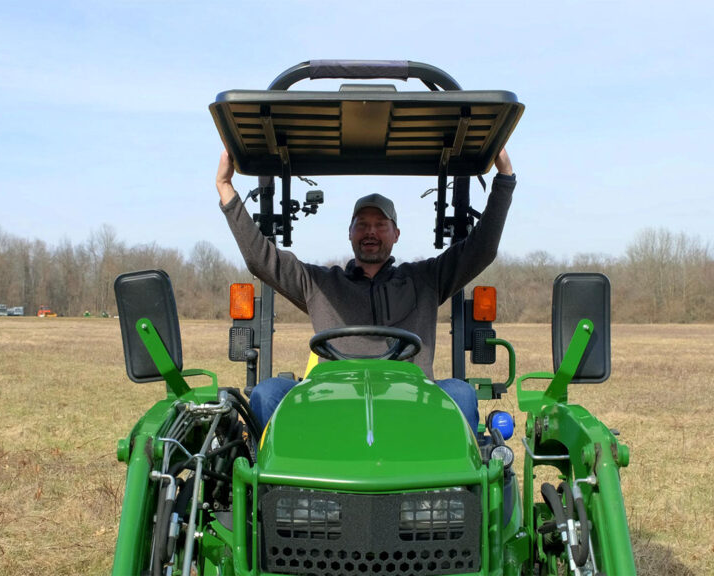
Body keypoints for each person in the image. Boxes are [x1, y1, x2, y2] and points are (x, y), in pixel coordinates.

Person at [216, 148, 516, 431]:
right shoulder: (319, 283)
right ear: (350, 233)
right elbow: (261, 259)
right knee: (267, 393)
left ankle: (451, 485)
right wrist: (226, 187)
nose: (371, 231)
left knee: (461, 394)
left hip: (410, 397)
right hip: (333, 398)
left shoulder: (426, 279)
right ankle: (276, 483)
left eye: (381, 224)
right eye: (362, 224)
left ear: (395, 234)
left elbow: (482, 249)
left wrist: (504, 178)